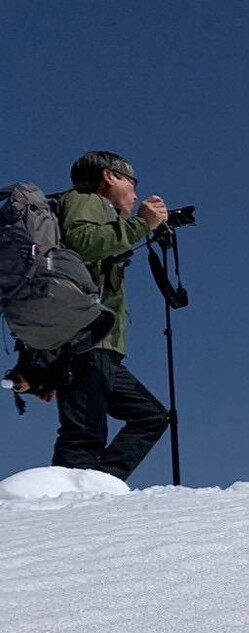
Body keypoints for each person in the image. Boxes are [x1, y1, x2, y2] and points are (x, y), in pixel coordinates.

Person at [36, 152, 171, 481]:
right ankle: (69, 509)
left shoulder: (102, 211)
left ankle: (99, 488)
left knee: (150, 416)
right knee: (84, 435)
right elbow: (84, 242)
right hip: (85, 341)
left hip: (98, 345)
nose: (136, 193)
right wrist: (141, 224)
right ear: (109, 176)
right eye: (132, 183)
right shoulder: (85, 200)